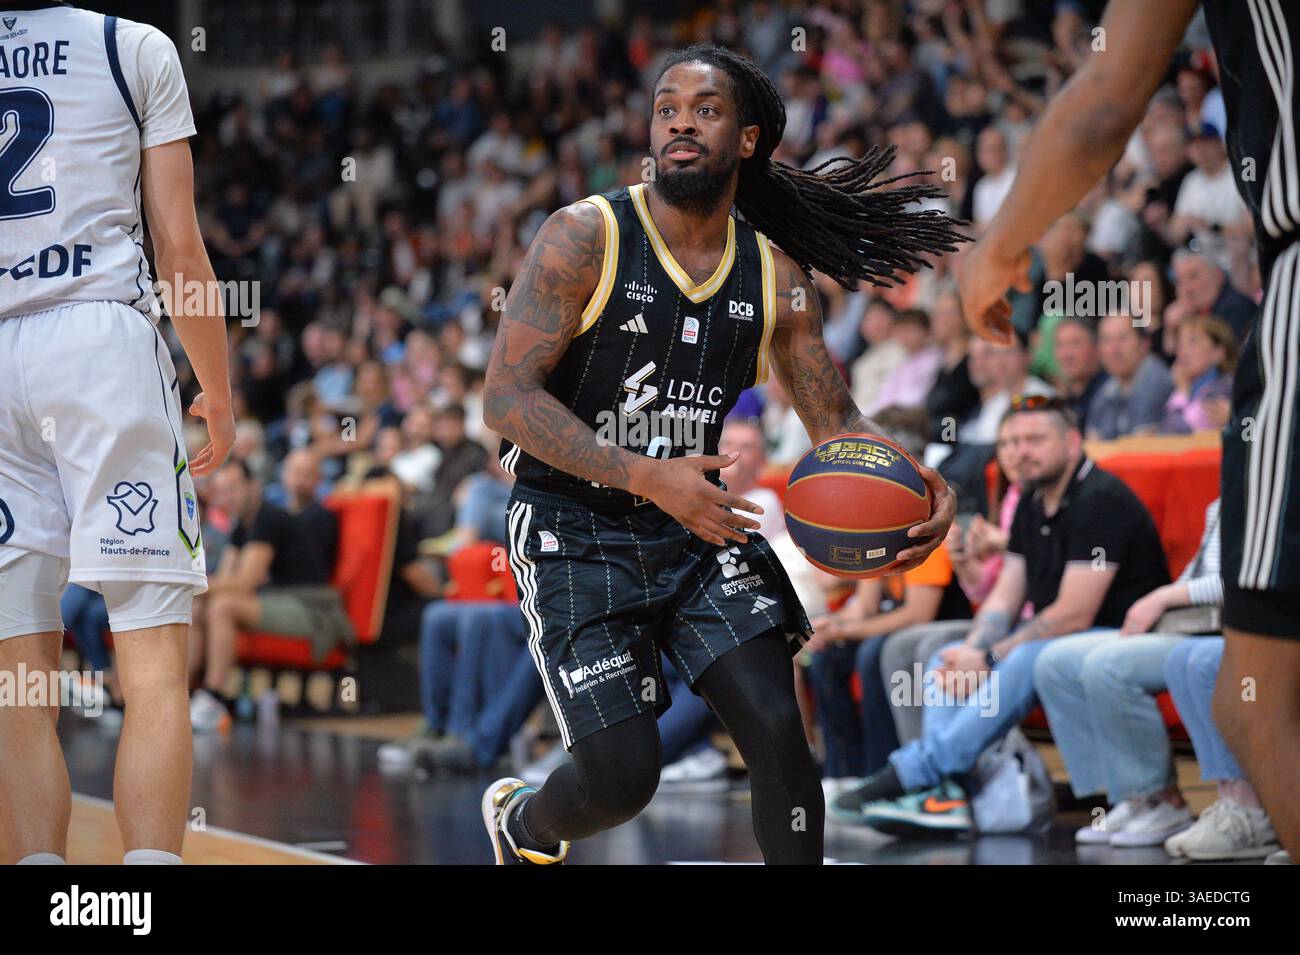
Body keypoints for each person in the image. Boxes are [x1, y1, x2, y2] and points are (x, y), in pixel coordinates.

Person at [479, 44, 963, 866]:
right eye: (667, 108)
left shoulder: (776, 275)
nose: (680, 123)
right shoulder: (584, 235)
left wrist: (918, 479)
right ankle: (525, 823)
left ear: (746, 138)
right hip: (574, 524)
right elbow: (506, 399)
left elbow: (836, 422)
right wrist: (641, 473)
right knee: (622, 781)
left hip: (700, 528)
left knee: (777, 728)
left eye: (704, 110)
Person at [957, 0, 1300, 857]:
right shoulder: (1027, 497)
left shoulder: (1100, 494)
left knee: (1255, 698)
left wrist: (997, 248)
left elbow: (1111, 92)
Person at [0, 1, 232, 866]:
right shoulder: (129, 44)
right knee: (154, 668)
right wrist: (217, 390)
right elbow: (179, 247)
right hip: (97, 343)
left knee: (17, 685)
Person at [831, 397, 1169, 836]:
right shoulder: (1030, 501)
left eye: (1033, 440)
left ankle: (916, 772)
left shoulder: (1101, 500)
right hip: (1068, 638)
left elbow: (1073, 613)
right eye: (1009, 442)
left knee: (1026, 658)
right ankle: (946, 796)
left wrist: (990, 659)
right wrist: (973, 650)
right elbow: (1004, 600)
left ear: (1071, 441)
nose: (1018, 452)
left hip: (1121, 633)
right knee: (948, 657)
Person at [1033, 500, 1223, 848]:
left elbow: (1240, 583)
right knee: (1055, 661)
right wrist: (1169, 599)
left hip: (1220, 629)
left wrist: (1164, 596)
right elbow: (1199, 572)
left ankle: (1163, 801)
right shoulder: (1219, 503)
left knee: (1107, 665)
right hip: (1185, 621)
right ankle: (1128, 797)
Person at [192, 452, 351, 732]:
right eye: (222, 492)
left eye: (233, 489)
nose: (227, 498)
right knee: (200, 606)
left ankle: (214, 698)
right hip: (279, 600)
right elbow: (225, 577)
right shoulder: (242, 524)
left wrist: (190, 584)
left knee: (223, 606)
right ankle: (182, 692)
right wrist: (195, 589)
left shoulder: (268, 518)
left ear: (253, 486)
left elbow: (244, 583)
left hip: (311, 608)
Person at [1086, 312, 1174, 441]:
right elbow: (1092, 443)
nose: (1114, 350)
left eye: (1122, 338)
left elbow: (1140, 447)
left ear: (1144, 343)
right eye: (1106, 340)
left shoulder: (1157, 381)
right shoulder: (1106, 389)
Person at [1161, 313, 1236, 435]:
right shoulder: (1186, 386)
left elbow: (1178, 432)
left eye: (1193, 342)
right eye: (1180, 343)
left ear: (1218, 352)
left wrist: (1182, 392)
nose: (1183, 351)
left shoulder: (1224, 387)